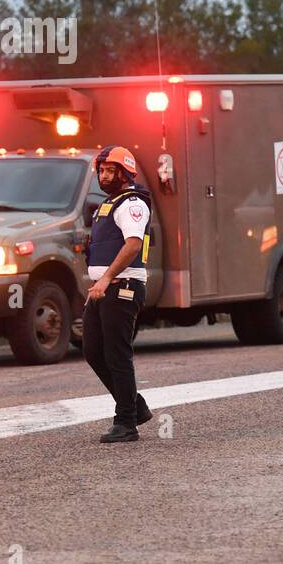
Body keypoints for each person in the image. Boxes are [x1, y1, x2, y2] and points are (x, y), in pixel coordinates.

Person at [83, 146, 155, 443]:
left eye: (110, 170)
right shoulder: (108, 204)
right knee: (92, 351)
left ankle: (126, 422)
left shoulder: (132, 203)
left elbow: (133, 244)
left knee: (117, 355)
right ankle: (134, 406)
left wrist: (108, 278)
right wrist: (99, 282)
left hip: (123, 286)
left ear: (125, 173)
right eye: (101, 170)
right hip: (103, 288)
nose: (104, 175)